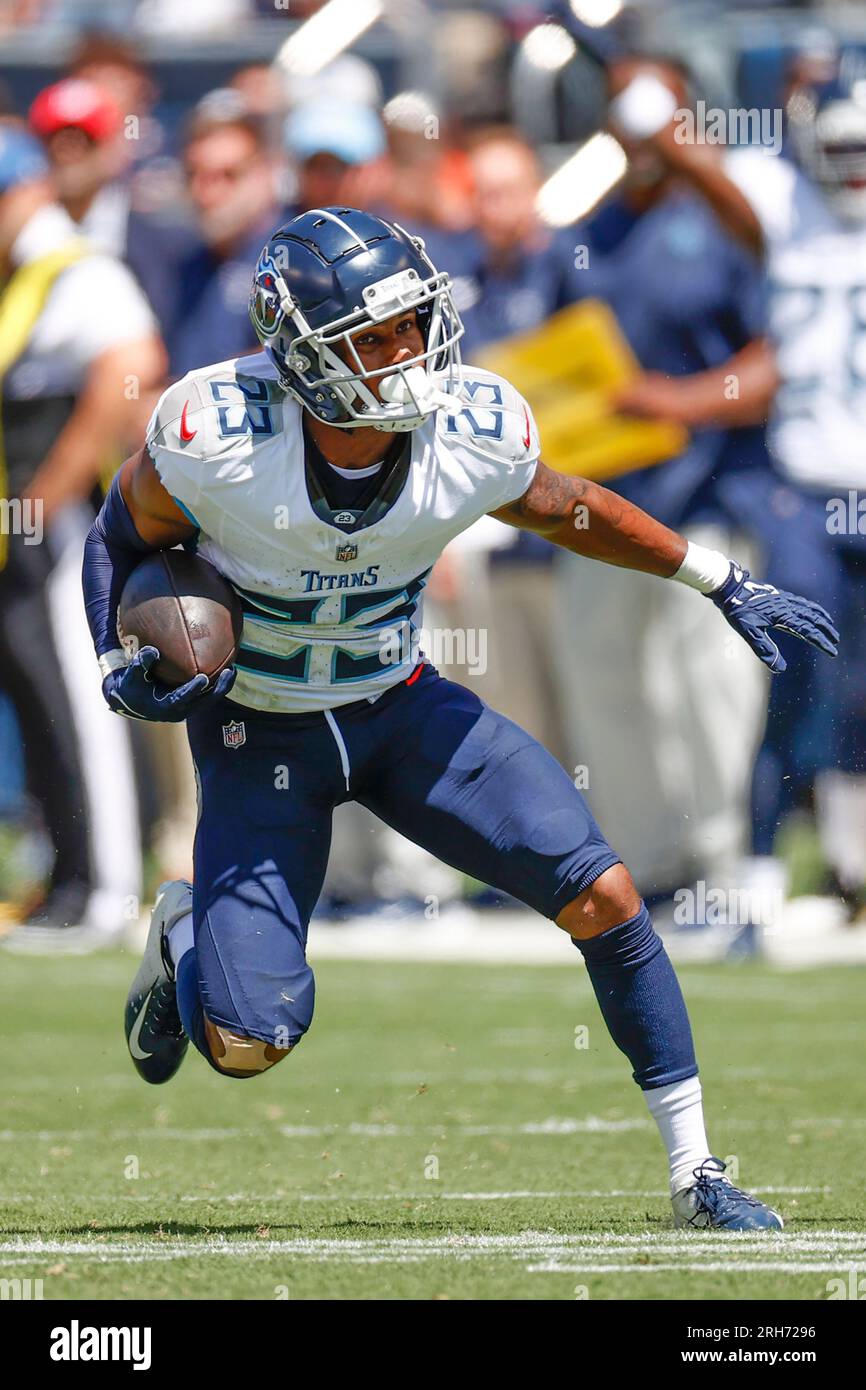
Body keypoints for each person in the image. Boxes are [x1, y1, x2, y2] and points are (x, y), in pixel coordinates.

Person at [82, 208, 837, 1230]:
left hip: (400, 707)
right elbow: (115, 534)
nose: (410, 355)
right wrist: (114, 659)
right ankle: (183, 937)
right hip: (259, 731)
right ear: (302, 352)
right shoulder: (217, 435)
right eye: (376, 336)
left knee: (606, 896)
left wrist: (714, 576)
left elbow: (567, 504)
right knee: (249, 1040)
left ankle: (694, 1170)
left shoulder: (468, 428)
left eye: (414, 323)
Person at [553, 54, 780, 904]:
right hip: (601, 506)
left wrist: (680, 401)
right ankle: (648, 869)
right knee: (604, 676)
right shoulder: (585, 229)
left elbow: (775, 359)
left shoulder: (727, 222)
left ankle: (724, 868)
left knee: (711, 684)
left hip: (710, 498)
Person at [0, 126, 164, 949]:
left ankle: (105, 889)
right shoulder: (26, 276)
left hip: (54, 530)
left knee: (82, 696)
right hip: (18, 533)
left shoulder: (75, 267)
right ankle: (70, 879)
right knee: (39, 702)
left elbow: (130, 372)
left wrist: (46, 498)